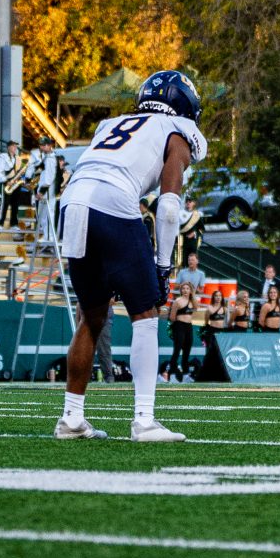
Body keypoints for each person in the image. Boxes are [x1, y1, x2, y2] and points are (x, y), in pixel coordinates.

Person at [54, 69, 206, 443]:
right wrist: (164, 264)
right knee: (145, 314)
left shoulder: (112, 123)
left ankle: (71, 418)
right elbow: (170, 208)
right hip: (112, 202)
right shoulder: (177, 131)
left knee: (91, 316)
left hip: (72, 203)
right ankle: (144, 420)